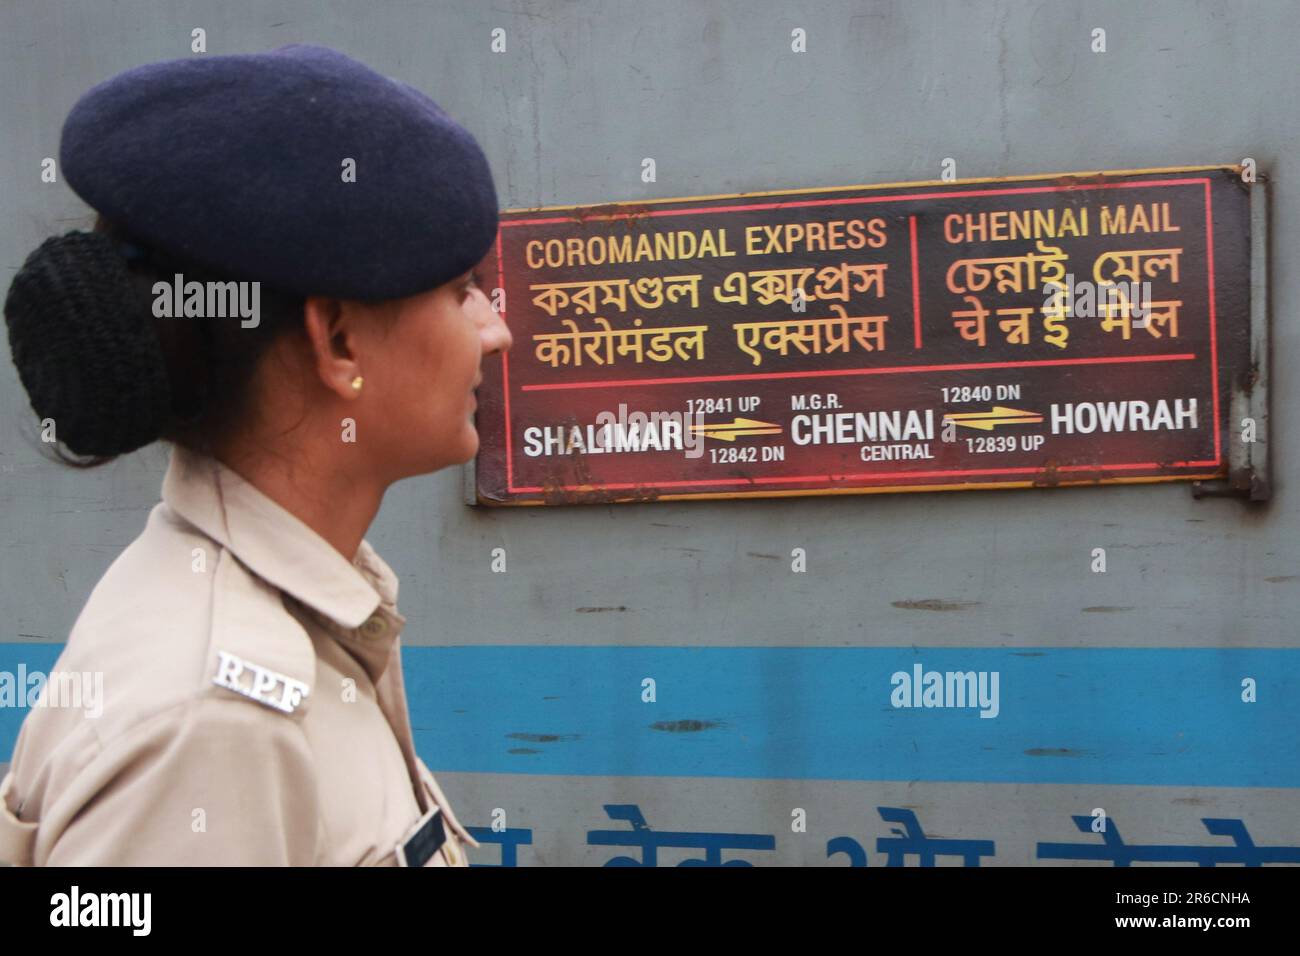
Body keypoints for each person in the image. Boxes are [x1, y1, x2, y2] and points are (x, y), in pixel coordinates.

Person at [0, 44, 512, 866]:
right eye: (461, 293)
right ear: (338, 339)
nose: (496, 330)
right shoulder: (213, 719)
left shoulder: (306, 620)